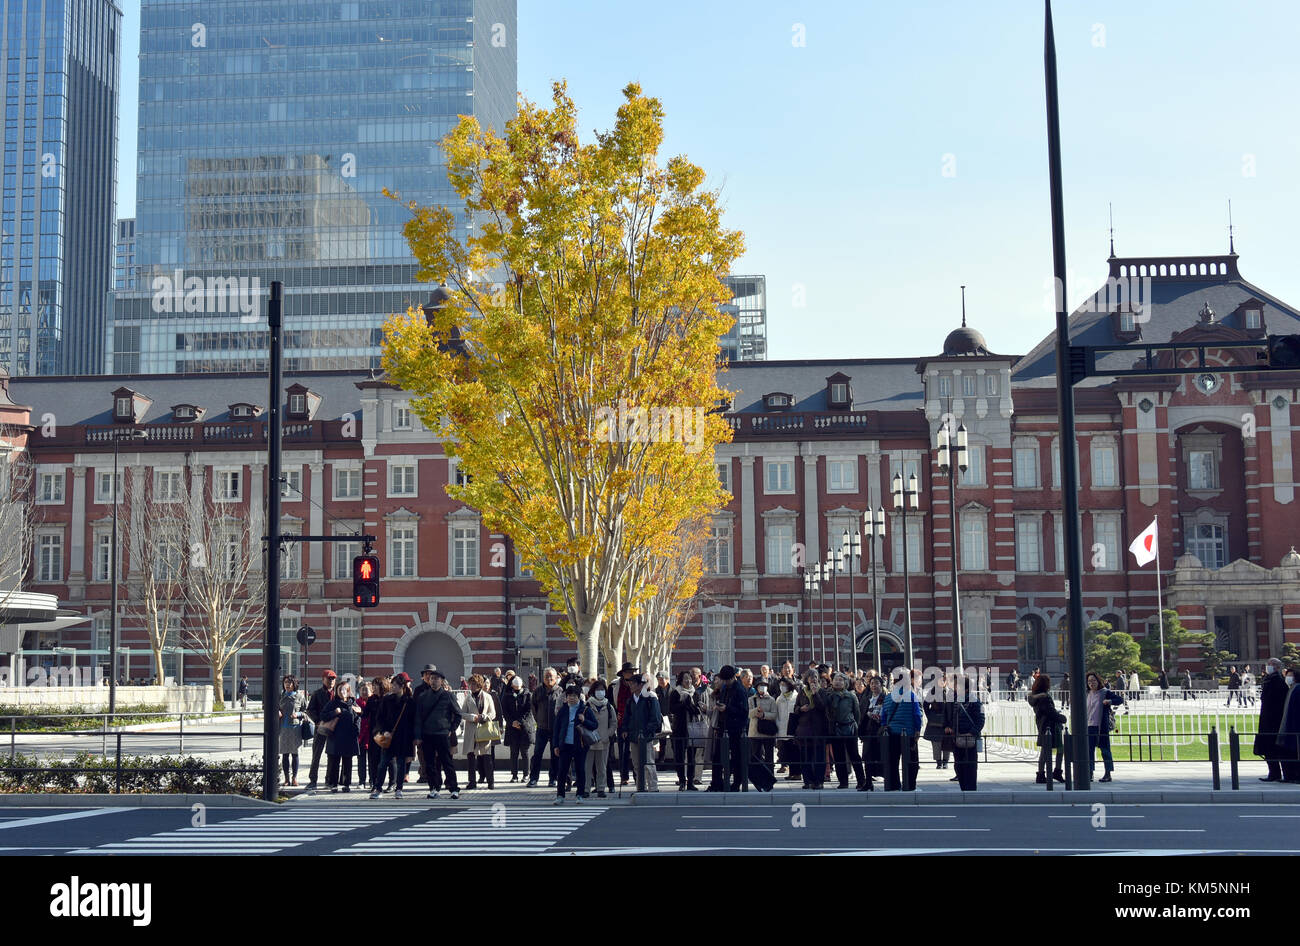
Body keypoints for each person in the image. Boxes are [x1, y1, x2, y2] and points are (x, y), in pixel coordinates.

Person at [413, 670, 462, 799]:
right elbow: (418, 717)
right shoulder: (423, 696)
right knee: (429, 763)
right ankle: (434, 788)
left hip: (443, 734)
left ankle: (453, 788)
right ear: (428, 681)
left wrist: (451, 729)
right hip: (427, 734)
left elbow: (458, 714)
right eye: (432, 678)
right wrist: (417, 736)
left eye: (436, 679)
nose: (433, 681)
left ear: (442, 681)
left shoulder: (448, 696)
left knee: (447, 762)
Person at [373, 672, 416, 799]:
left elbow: (413, 720)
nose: (392, 687)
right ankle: (378, 788)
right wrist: (383, 730)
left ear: (402, 686)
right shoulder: (386, 700)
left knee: (401, 763)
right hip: (388, 736)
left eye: (395, 685)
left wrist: (414, 736)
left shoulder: (409, 701)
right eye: (392, 685)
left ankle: (399, 788)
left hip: (403, 737)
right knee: (383, 763)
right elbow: (379, 718)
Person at [553, 685, 598, 804]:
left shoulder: (585, 709)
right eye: (569, 696)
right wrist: (556, 745)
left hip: (580, 744)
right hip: (565, 744)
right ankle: (560, 795)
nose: (571, 698)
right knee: (562, 770)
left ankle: (580, 794)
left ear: (579, 697)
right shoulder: (563, 710)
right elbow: (556, 729)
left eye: (574, 696)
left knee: (580, 770)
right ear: (566, 697)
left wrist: (584, 720)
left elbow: (594, 725)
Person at [880, 668, 923, 791]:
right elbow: (917, 715)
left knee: (893, 760)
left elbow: (883, 716)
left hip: (892, 733)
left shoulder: (888, 697)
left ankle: (894, 784)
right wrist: (917, 729)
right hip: (908, 733)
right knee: (911, 760)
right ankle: (909, 785)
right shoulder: (911, 695)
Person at [620, 674, 664, 791]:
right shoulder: (630, 700)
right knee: (636, 764)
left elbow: (655, 718)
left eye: (633, 683)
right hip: (633, 736)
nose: (631, 685)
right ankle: (640, 787)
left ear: (641, 685)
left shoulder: (650, 698)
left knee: (649, 763)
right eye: (630, 683)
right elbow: (626, 717)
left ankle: (653, 787)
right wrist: (624, 729)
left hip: (646, 737)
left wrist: (647, 731)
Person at [823, 672, 866, 790]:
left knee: (854, 756)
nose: (838, 682)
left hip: (850, 728)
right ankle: (843, 782)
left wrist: (855, 726)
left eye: (841, 680)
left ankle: (861, 780)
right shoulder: (829, 696)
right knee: (838, 757)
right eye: (836, 680)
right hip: (835, 729)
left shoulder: (851, 696)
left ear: (845, 683)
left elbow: (857, 714)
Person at [713, 665, 749, 791]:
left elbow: (744, 711)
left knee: (736, 757)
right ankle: (717, 783)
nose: (726, 682)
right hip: (724, 726)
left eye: (728, 680)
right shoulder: (725, 688)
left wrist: (727, 708)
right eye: (724, 680)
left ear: (734, 677)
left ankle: (736, 783)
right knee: (717, 755)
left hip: (736, 728)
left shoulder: (740, 690)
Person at [323, 680, 362, 792]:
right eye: (340, 689)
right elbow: (323, 716)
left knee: (347, 762)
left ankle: (346, 784)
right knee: (334, 762)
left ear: (349, 691)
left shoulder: (353, 703)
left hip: (349, 737)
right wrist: (334, 712)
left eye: (345, 689)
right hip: (335, 737)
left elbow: (358, 718)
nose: (342, 691)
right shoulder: (333, 703)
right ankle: (333, 784)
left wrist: (356, 730)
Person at [1085, 671, 1124, 782]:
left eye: (1093, 680)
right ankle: (1090, 773)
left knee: (1105, 749)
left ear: (1098, 681)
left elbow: (1120, 700)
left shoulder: (1104, 692)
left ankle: (1108, 773)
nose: (1091, 683)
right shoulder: (1087, 693)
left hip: (1101, 726)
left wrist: (1109, 701)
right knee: (1089, 751)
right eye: (1089, 681)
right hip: (1089, 726)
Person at [528, 667, 563, 788]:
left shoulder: (560, 691)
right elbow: (533, 707)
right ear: (543, 678)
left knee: (555, 754)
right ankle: (533, 778)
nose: (549, 679)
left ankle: (553, 778)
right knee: (537, 754)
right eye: (546, 676)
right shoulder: (538, 691)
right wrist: (539, 719)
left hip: (555, 729)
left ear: (555, 678)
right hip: (542, 728)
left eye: (551, 676)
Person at [946, 681, 984, 791]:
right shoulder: (956, 700)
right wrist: (951, 727)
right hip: (957, 738)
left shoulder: (976, 702)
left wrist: (971, 733)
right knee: (959, 765)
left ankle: (970, 789)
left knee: (970, 766)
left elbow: (980, 720)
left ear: (966, 689)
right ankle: (963, 788)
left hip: (969, 738)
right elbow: (953, 717)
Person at [794, 671, 829, 789]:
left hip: (818, 729)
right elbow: (795, 708)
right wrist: (801, 708)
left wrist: (815, 694)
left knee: (819, 756)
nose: (813, 679)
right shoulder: (802, 693)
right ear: (807, 679)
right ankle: (808, 780)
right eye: (810, 677)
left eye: (815, 677)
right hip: (804, 728)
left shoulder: (822, 692)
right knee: (805, 756)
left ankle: (819, 781)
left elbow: (823, 707)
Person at [1028, 673, 1065, 784]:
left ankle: (1041, 774)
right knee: (1060, 749)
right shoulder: (1045, 697)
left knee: (1044, 751)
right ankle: (1057, 772)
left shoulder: (1034, 696)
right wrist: (1062, 718)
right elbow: (1050, 712)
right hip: (1051, 726)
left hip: (1042, 724)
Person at [303, 670, 337, 791]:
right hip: (321, 727)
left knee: (332, 755)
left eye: (333, 679)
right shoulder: (317, 694)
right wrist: (317, 721)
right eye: (329, 678)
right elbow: (310, 710)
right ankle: (313, 780)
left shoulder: (338, 693)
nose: (331, 681)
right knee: (316, 754)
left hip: (335, 728)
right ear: (323, 679)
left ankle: (329, 780)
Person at [1255, 658, 1288, 782]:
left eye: (1271, 664)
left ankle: (1279, 773)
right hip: (1267, 719)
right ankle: (1273, 773)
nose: (1268, 666)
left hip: (1274, 720)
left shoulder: (1278, 681)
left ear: (1278, 667)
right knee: (1269, 749)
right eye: (1268, 664)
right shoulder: (1269, 680)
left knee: (1275, 748)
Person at [584, 679, 617, 799]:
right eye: (598, 690)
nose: (600, 692)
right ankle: (586, 789)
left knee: (602, 767)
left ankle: (601, 788)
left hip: (604, 741)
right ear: (593, 691)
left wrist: (608, 734)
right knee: (587, 767)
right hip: (589, 741)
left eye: (602, 690)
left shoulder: (609, 706)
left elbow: (614, 723)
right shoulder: (587, 705)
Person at [668, 670, 701, 790]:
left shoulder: (695, 693)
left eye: (690, 678)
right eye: (686, 679)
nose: (688, 681)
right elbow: (672, 708)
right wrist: (683, 704)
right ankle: (682, 781)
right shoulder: (676, 692)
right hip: (679, 728)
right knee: (679, 756)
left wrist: (690, 705)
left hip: (692, 728)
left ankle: (691, 782)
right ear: (681, 681)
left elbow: (697, 710)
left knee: (692, 757)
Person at [609, 662, 639, 787]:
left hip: (635, 722)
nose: (631, 674)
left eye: (633, 672)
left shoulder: (638, 684)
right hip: (621, 722)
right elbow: (610, 703)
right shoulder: (614, 685)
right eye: (629, 672)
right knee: (623, 750)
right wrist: (615, 714)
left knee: (637, 751)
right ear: (623, 673)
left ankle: (638, 776)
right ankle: (624, 776)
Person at [501, 674, 534, 782]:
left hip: (525, 727)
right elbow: (505, 711)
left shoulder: (528, 694)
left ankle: (526, 774)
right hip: (512, 728)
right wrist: (512, 722)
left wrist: (520, 722)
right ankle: (514, 775)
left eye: (518, 688)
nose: (516, 690)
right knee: (513, 752)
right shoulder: (507, 695)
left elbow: (529, 710)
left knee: (525, 752)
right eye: (515, 688)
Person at [747, 676, 778, 790]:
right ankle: (758, 780)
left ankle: (770, 779)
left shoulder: (771, 700)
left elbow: (774, 714)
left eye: (765, 685)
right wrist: (756, 711)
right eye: (760, 685)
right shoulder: (751, 699)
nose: (763, 687)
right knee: (755, 756)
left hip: (768, 732)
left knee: (769, 757)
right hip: (755, 732)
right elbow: (748, 714)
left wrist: (764, 715)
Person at [277, 674, 306, 787]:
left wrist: (298, 714)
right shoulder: (280, 695)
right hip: (283, 729)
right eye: (285, 682)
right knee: (285, 754)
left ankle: (294, 778)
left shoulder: (300, 696)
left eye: (290, 683)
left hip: (295, 729)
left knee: (295, 754)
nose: (287, 685)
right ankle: (286, 779)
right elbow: (274, 707)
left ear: (294, 684)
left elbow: (306, 711)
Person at [859, 674, 886, 788]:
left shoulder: (886, 698)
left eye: (877, 683)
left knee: (882, 756)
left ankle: (887, 780)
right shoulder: (866, 698)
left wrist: (880, 718)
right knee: (867, 757)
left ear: (881, 685)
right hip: (868, 731)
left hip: (880, 731)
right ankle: (868, 782)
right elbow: (861, 714)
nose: (874, 686)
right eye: (872, 683)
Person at [362, 676, 389, 792]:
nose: (373, 688)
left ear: (381, 686)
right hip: (374, 733)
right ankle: (374, 783)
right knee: (373, 760)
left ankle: (391, 783)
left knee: (387, 760)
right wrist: (359, 711)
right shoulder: (371, 699)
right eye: (373, 685)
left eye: (375, 685)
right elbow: (365, 714)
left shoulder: (388, 699)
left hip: (386, 733)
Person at [923, 675, 953, 771]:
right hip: (935, 722)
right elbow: (925, 705)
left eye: (944, 680)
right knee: (936, 743)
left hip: (947, 720)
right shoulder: (932, 691)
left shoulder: (949, 692)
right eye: (940, 680)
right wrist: (930, 716)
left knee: (946, 741)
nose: (942, 682)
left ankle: (945, 761)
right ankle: (938, 762)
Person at [1277, 666, 1300, 783]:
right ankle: (1290, 775)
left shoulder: (1297, 689)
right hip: (1289, 726)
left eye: (1291, 675)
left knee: (1295, 752)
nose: (1288, 677)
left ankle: (1295, 776)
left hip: (1294, 726)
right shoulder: (1291, 689)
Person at [774, 676, 799, 778]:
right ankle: (791, 773)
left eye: (784, 685)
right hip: (782, 727)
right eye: (781, 685)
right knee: (786, 751)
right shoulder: (779, 699)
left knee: (795, 752)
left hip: (793, 728)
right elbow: (777, 714)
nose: (782, 687)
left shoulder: (796, 697)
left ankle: (797, 773)